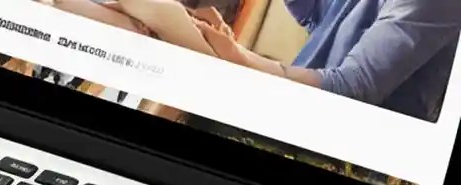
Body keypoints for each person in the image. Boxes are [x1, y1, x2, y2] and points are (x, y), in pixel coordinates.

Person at [194, 0, 461, 122]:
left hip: (349, 158)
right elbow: (323, 18)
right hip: (298, 115)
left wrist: (238, 58)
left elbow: (350, 88)